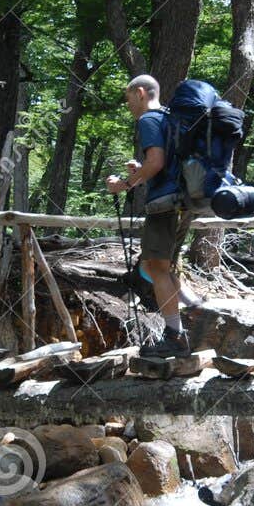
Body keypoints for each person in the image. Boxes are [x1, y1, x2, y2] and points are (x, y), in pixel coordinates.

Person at [106, 73, 195, 357]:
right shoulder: (169, 118)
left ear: (141, 92)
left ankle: (175, 337)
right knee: (163, 267)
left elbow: (155, 163)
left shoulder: (148, 119)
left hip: (164, 204)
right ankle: (189, 318)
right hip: (183, 200)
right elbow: (162, 164)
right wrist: (140, 171)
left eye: (129, 98)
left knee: (156, 268)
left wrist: (124, 184)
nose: (128, 104)